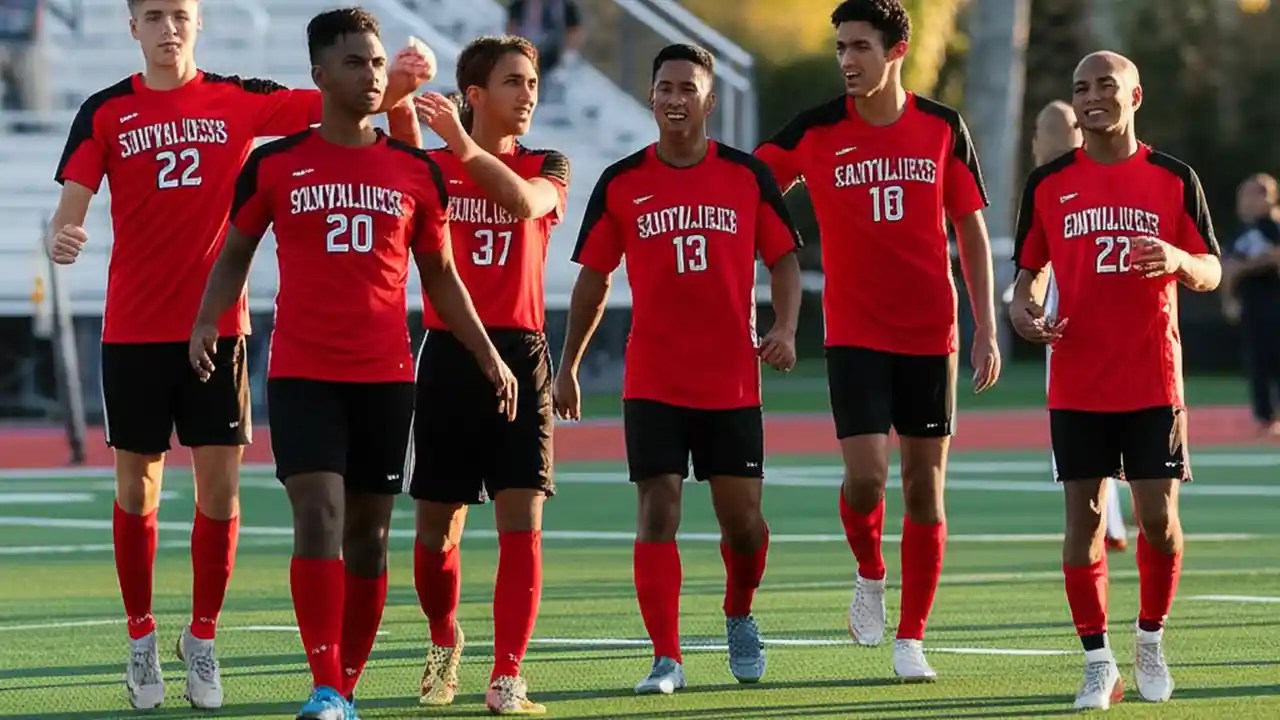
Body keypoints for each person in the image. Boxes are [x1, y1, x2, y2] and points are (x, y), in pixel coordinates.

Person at [46, 0, 430, 710]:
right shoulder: (105, 112)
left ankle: (203, 638)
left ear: (199, 23)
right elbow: (72, 201)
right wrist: (63, 234)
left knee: (219, 495)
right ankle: (140, 638)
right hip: (132, 330)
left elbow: (338, 102)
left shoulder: (238, 99)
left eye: (180, 14)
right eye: (153, 15)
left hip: (219, 331)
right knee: (139, 491)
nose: (168, 28)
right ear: (132, 26)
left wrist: (401, 79)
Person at [186, 8, 516, 720]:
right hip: (303, 372)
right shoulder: (274, 163)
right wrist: (208, 320)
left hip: (387, 376)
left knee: (369, 537)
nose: (372, 76)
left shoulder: (415, 171)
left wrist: (487, 352)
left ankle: (347, 691)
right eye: (354, 64)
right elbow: (235, 253)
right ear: (319, 76)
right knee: (319, 514)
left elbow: (443, 278)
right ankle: (324, 685)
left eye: (375, 63)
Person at [753, 0, 1000, 680]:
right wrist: (775, 254)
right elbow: (746, 187)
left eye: (860, 46)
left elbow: (972, 232)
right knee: (866, 479)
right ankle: (869, 571)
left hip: (932, 332)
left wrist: (983, 329)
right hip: (856, 331)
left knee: (926, 488)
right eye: (840, 48)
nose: (847, 60)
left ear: (896, 50)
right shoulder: (817, 129)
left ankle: (911, 638)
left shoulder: (943, 127)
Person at [555, 43, 804, 695]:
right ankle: (666, 657)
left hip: (730, 383)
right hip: (654, 380)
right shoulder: (622, 181)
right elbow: (593, 278)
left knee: (743, 524)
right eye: (664, 86)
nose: (674, 98)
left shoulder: (747, 178)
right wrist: (569, 365)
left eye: (687, 88)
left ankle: (739, 611)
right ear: (650, 95)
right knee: (657, 509)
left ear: (709, 101)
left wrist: (782, 327)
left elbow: (782, 261)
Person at [1009, 51, 1221, 711]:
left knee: (1158, 521)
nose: (1092, 96)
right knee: (1086, 520)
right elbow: (1029, 274)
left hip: (1153, 376)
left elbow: (1212, 269)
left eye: (1105, 85)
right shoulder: (1048, 185)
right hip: (1077, 379)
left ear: (1135, 93)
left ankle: (1150, 638)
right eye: (1081, 88)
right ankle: (1098, 662)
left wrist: (1182, 258)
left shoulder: (1173, 178)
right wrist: (1022, 309)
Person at [388, 35, 571, 715]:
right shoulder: (433, 168)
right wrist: (405, 83)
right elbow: (397, 136)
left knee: (523, 519)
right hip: (448, 357)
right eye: (513, 81)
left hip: (522, 355)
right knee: (436, 531)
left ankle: (508, 674)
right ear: (475, 94)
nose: (527, 94)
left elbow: (525, 203)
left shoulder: (548, 162)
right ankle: (444, 638)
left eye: (532, 82)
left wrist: (466, 148)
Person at [1032, 100, 1130, 552]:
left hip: (1074, 312)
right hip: (1108, 312)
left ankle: (1107, 520)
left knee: (1081, 426)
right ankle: (1110, 520)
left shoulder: (1057, 182)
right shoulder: (1057, 187)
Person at [1221, 173, 1280, 437]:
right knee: (1257, 361)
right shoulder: (1240, 233)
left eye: (1251, 195)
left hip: (1275, 302)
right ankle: (1265, 417)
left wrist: (1243, 267)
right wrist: (1229, 299)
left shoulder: (1274, 226)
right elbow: (1227, 268)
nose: (1243, 202)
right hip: (1252, 306)